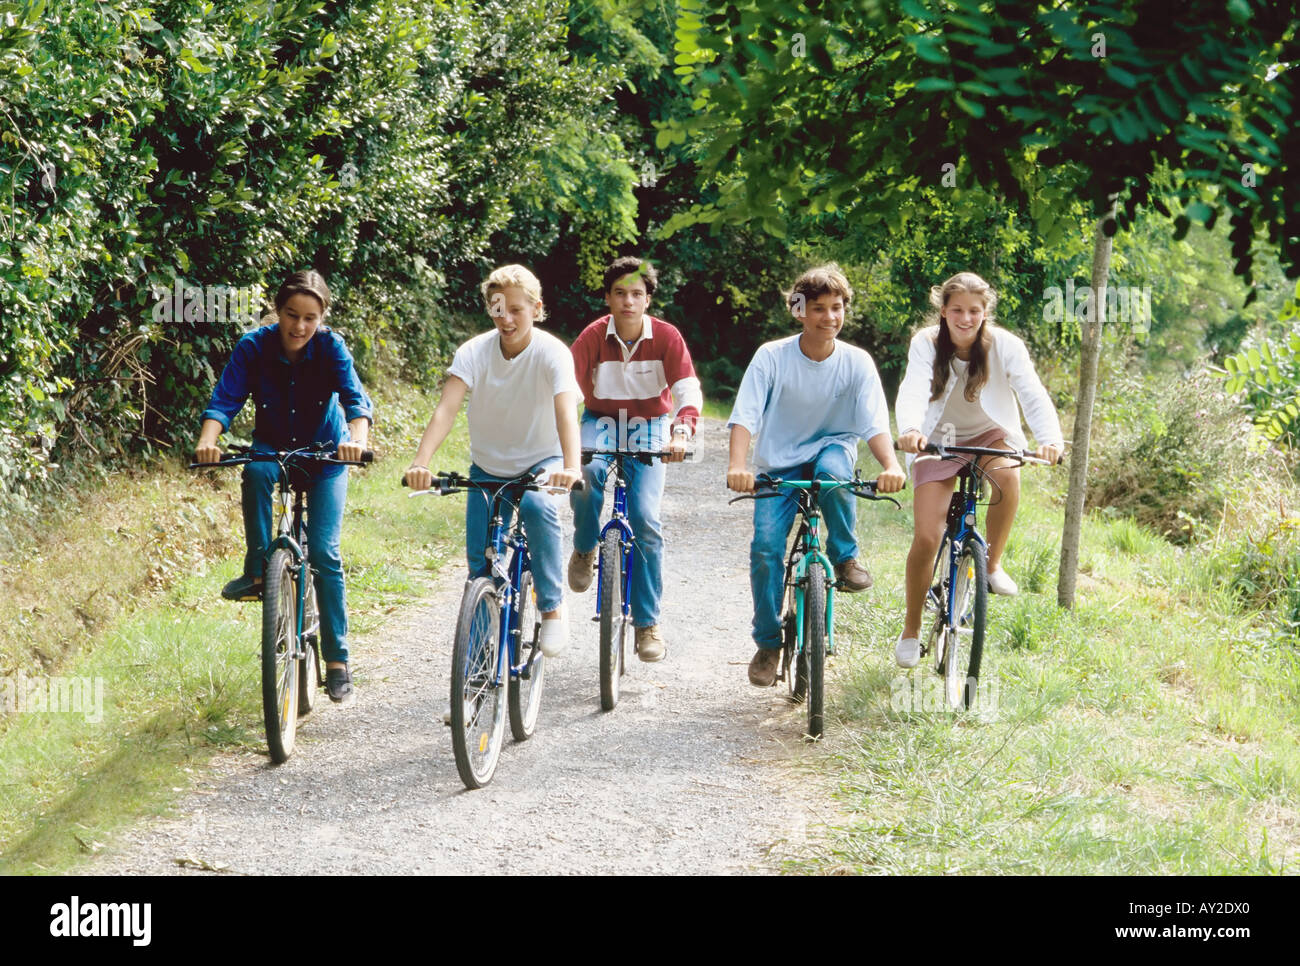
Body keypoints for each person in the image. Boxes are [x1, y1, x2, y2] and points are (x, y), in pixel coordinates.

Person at [195, 270, 373, 704]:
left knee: (326, 553)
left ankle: (336, 662)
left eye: (310, 318)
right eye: (292, 315)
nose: (299, 326)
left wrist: (358, 440)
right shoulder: (254, 347)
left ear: (322, 317)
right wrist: (208, 440)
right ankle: (259, 572)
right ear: (277, 311)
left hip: (327, 456)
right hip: (272, 449)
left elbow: (355, 400)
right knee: (255, 474)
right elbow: (225, 399)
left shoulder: (331, 348)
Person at [726, 264, 906, 687]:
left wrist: (892, 465)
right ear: (799, 311)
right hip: (779, 463)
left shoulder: (857, 363)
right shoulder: (772, 356)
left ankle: (844, 557)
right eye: (819, 308)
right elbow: (745, 415)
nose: (830, 317)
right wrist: (738, 465)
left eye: (837, 307)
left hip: (833, 446)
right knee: (767, 548)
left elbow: (874, 424)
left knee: (832, 474)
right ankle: (768, 642)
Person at [403, 264, 582, 657]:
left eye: (517, 309)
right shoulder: (474, 351)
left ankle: (551, 607)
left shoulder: (553, 353)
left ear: (536, 308)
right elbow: (446, 409)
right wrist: (421, 462)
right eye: (498, 308)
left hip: (543, 460)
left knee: (538, 506)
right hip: (488, 466)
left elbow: (566, 412)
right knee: (481, 569)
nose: (507, 318)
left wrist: (571, 466)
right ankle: (476, 670)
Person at [894, 271, 1064, 668]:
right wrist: (910, 430)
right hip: (938, 438)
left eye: (974, 310)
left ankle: (991, 564)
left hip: (991, 433)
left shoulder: (1006, 346)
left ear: (986, 311)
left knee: (1007, 474)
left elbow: (1032, 393)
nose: (965, 318)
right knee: (927, 535)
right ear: (943, 310)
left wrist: (1050, 438)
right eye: (957, 310)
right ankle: (912, 627)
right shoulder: (926, 344)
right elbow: (914, 387)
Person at [567, 257, 703, 662]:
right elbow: (567, 389)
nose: (629, 301)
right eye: (620, 293)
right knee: (586, 471)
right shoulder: (592, 336)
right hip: (601, 421)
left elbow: (687, 389)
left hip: (650, 425)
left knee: (645, 519)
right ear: (608, 297)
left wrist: (682, 430)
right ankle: (585, 547)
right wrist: (559, 434)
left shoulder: (666, 336)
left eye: (637, 294)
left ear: (648, 299)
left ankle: (647, 623)